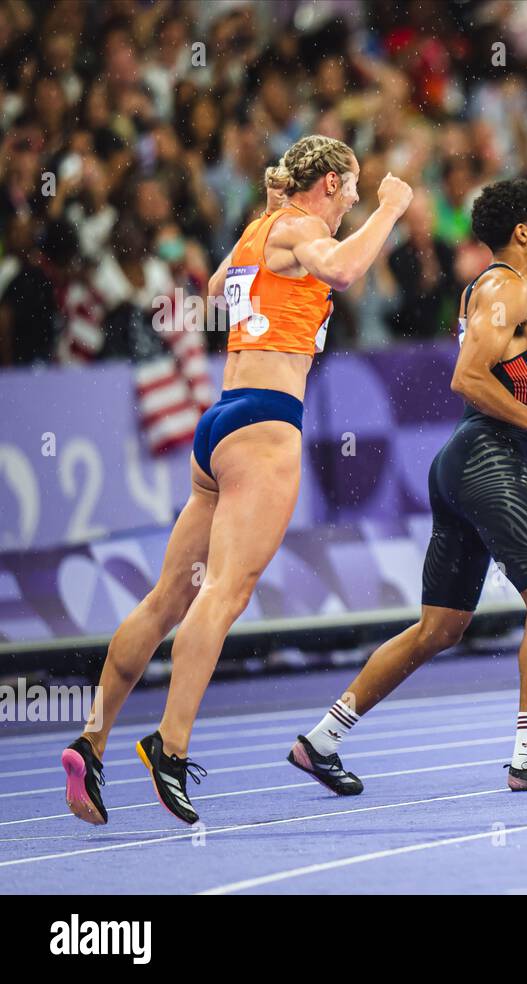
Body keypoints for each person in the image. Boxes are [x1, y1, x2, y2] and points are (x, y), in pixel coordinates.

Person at [62, 136, 412, 826]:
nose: (353, 204)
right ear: (333, 184)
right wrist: (391, 210)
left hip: (219, 421)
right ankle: (170, 744)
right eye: (352, 190)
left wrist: (275, 219)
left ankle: (91, 738)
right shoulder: (307, 227)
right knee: (223, 594)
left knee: (168, 597)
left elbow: (220, 288)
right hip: (266, 427)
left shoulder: (263, 228)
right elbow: (342, 270)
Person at [289, 180, 527, 794]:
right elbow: (467, 378)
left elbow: (496, 377)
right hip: (484, 459)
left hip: (465, 461)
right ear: (521, 232)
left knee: (440, 627)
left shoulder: (497, 290)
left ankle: (321, 738)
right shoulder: (506, 287)